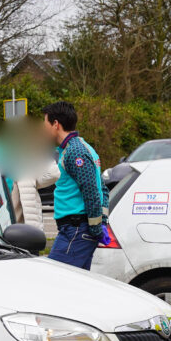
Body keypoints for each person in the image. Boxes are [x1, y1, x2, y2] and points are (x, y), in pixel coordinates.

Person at [41, 101, 106, 269]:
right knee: (77, 287)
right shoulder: (80, 148)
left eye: (45, 123)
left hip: (76, 230)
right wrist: (100, 224)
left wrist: (97, 228)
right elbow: (103, 188)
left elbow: (91, 190)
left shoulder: (75, 152)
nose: (43, 128)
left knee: (56, 280)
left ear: (56, 124)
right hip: (76, 230)